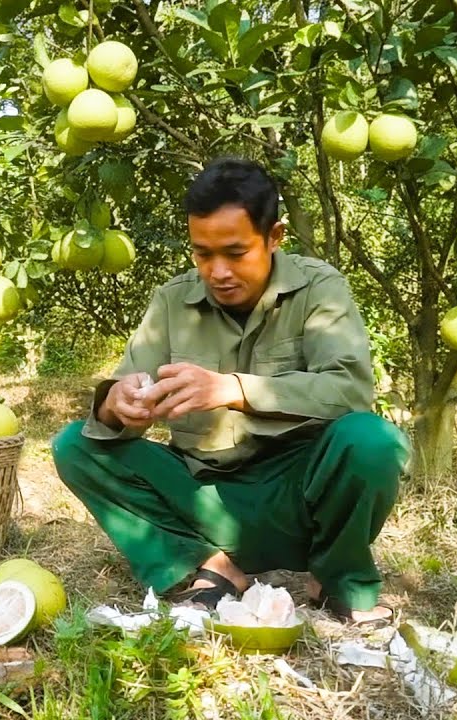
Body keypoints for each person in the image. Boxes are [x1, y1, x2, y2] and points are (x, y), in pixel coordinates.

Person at [50, 157, 409, 625]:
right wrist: (119, 403)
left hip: (301, 497)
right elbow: (121, 394)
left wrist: (233, 389)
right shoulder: (172, 301)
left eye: (235, 253)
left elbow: (349, 389)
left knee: (372, 440)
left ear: (274, 237)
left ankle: (339, 576)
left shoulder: (320, 289)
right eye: (203, 254)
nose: (217, 271)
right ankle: (211, 565)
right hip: (207, 499)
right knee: (75, 445)